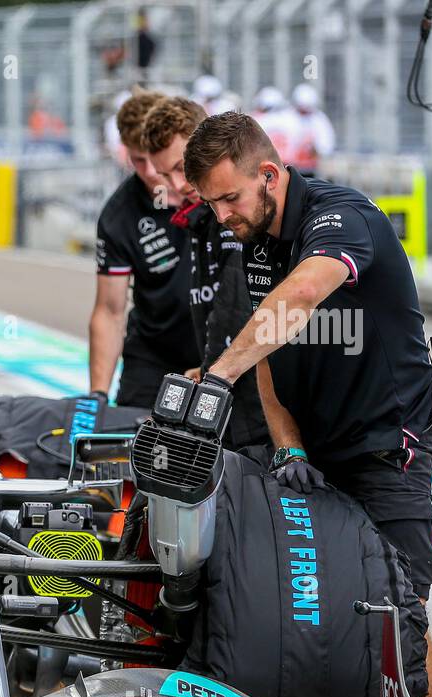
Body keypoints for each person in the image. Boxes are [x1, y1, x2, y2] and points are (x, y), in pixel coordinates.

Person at [184, 111, 432, 697]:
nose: (222, 216)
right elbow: (275, 357)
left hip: (386, 445)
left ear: (269, 176)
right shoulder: (257, 244)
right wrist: (285, 445)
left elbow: (300, 299)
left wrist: (215, 378)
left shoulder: (342, 218)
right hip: (315, 448)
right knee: (298, 599)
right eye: (211, 205)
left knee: (403, 613)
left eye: (229, 199)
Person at [140, 95, 268, 450]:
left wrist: (215, 372)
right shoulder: (200, 223)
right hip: (228, 398)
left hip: (255, 413)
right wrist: (206, 368)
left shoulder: (234, 218)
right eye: (165, 174)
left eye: (181, 169)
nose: (178, 185)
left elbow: (239, 313)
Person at [87, 89, 196, 409]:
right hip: (154, 353)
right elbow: (109, 310)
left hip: (222, 350)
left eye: (155, 159)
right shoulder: (119, 214)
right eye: (137, 160)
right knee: (126, 441)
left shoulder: (215, 190)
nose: (150, 172)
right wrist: (97, 396)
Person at [289, 83, 336, 174]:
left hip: (310, 169)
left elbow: (326, 145)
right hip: (289, 167)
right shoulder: (287, 117)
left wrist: (315, 149)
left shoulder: (319, 120)